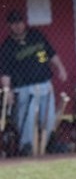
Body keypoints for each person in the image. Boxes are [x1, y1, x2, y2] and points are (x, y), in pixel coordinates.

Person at [0, 10, 68, 156]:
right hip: (24, 87)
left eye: (19, 22)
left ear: (24, 23)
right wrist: (8, 91)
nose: (18, 26)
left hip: (44, 83)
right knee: (27, 119)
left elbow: (51, 54)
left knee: (48, 116)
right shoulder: (7, 46)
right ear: (9, 25)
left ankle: (49, 144)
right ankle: (27, 147)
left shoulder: (36, 36)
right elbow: (4, 72)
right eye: (14, 23)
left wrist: (61, 68)